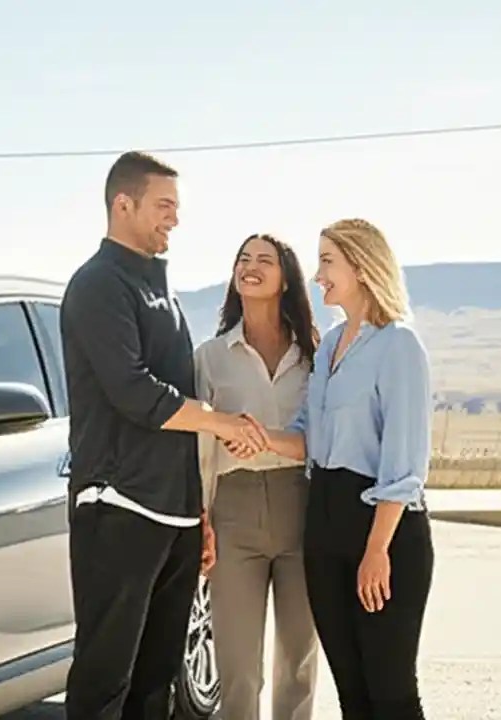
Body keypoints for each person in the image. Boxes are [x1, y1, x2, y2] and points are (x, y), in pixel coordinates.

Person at [59, 150, 267, 719]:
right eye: (163, 205)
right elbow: (133, 391)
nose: (174, 218)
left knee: (156, 685)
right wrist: (222, 423)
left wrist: (196, 511)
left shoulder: (160, 291)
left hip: (172, 515)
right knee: (106, 679)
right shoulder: (98, 285)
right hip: (118, 507)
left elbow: (171, 399)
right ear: (122, 204)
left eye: (177, 207)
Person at [253, 218, 434, 720]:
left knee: (391, 692)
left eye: (328, 261)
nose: (318, 275)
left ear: (361, 264)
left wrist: (376, 550)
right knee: (353, 694)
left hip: (383, 532)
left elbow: (404, 463)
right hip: (324, 528)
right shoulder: (331, 344)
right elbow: (310, 436)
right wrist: (260, 437)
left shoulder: (399, 345)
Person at [195, 233, 320, 720]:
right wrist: (200, 515)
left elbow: (327, 438)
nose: (250, 266)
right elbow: (198, 447)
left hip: (302, 508)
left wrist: (265, 438)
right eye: (243, 259)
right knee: (239, 666)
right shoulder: (210, 357)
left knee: (299, 662)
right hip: (234, 510)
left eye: (264, 260)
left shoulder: (316, 355)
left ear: (285, 278)